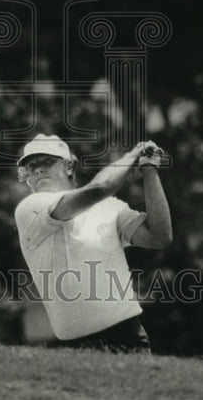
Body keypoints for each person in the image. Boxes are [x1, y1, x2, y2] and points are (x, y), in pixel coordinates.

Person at [14, 133, 172, 352]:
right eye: (31, 167)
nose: (38, 169)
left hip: (129, 335)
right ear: (28, 179)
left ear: (69, 166)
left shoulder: (109, 207)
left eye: (47, 162)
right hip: (74, 347)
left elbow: (159, 237)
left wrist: (149, 171)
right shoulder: (30, 207)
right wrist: (135, 153)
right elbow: (101, 187)